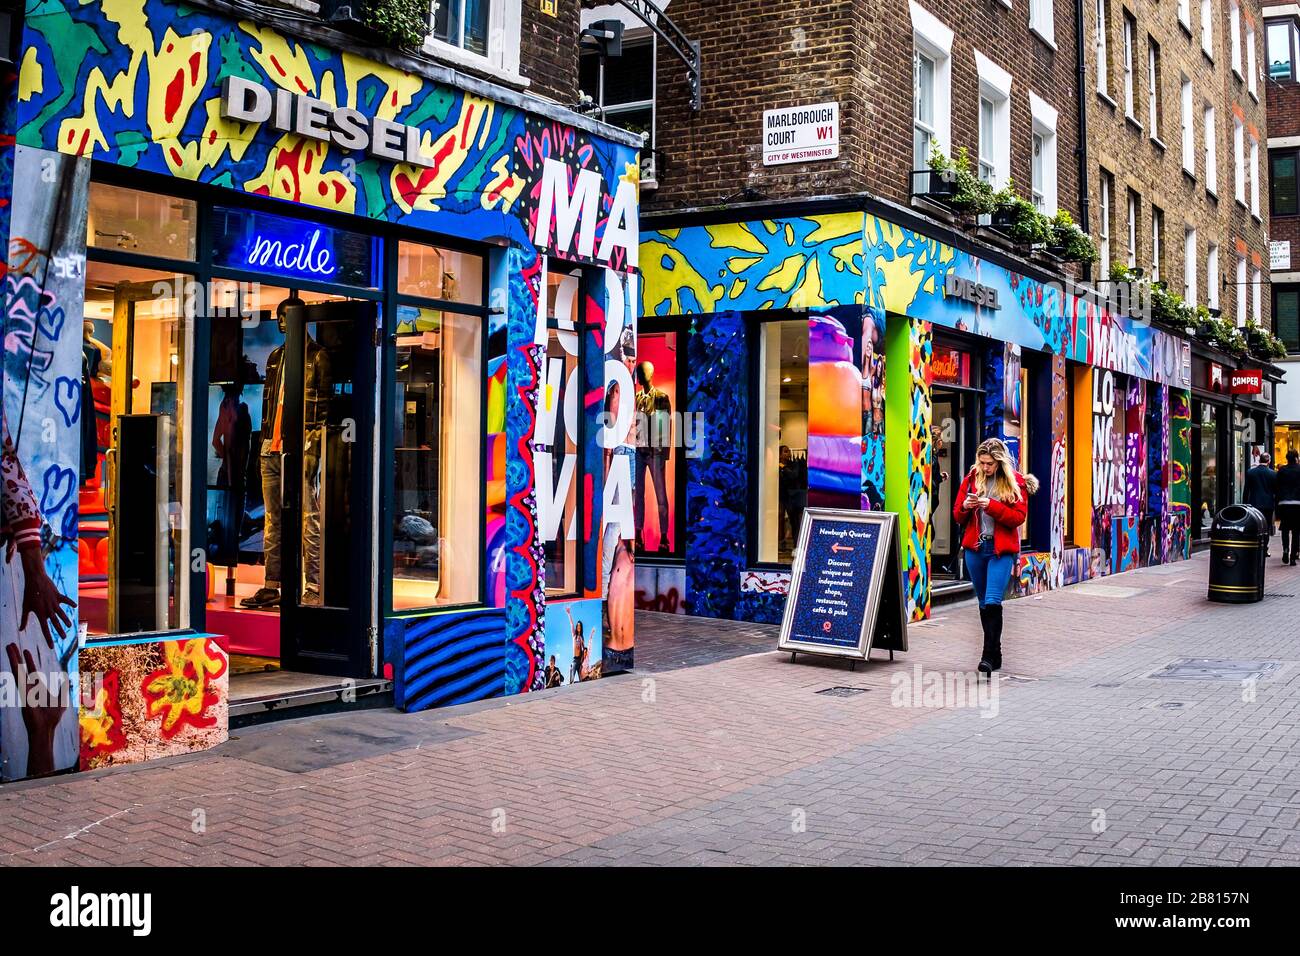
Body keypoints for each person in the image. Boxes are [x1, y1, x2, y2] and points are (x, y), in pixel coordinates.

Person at [952, 437, 1038, 677]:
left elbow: (1017, 518)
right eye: (982, 463)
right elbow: (957, 516)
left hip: (1001, 550)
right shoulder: (972, 478)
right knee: (982, 604)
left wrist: (990, 505)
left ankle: (987, 656)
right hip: (975, 550)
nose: (985, 468)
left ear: (999, 462)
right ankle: (996, 653)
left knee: (992, 601)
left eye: (989, 463)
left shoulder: (1015, 483)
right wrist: (967, 506)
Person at [1244, 453, 1279, 555]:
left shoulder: (1251, 472)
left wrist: (1245, 504)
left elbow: (1246, 490)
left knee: (1254, 526)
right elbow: (1276, 491)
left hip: (1254, 504)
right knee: (1266, 527)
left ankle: (1254, 548)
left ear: (1259, 460)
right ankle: (1264, 549)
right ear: (1269, 461)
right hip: (1268, 505)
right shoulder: (1273, 474)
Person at [1276, 450, 1300, 566]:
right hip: (1297, 503)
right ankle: (1293, 557)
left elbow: (1277, 487)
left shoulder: (1282, 470)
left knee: (1285, 529)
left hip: (1284, 503)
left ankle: (1285, 549)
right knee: (1296, 531)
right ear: (1296, 458)